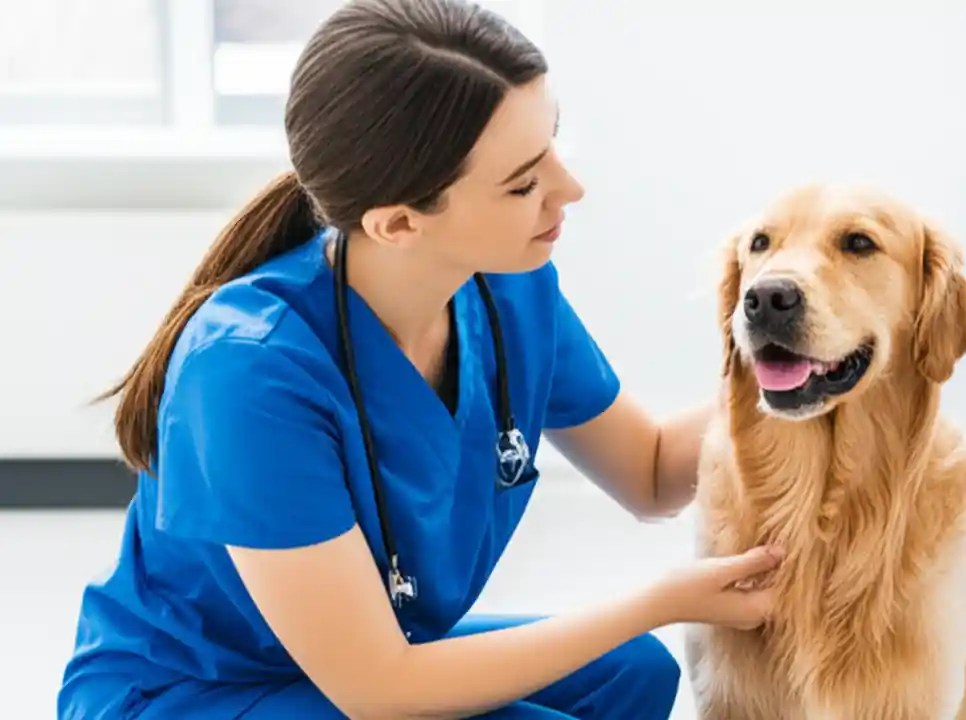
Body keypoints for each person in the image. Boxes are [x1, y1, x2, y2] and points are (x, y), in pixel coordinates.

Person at [55, 1, 782, 718]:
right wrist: (662, 600)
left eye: (551, 145)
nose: (570, 189)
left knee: (629, 674)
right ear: (399, 222)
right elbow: (381, 690)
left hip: (353, 668)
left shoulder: (507, 290)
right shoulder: (247, 372)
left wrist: (803, 378)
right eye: (524, 182)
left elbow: (650, 471)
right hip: (195, 694)